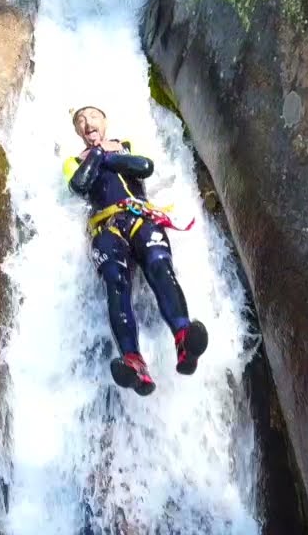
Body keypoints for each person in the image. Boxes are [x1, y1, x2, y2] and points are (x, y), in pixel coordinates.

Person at [62, 105, 209, 396]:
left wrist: (106, 155)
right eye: (80, 121)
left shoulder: (125, 146)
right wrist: (98, 156)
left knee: (159, 264)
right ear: (77, 131)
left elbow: (144, 167)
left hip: (141, 218)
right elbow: (79, 185)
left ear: (105, 121)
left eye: (92, 116)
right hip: (106, 228)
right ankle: (133, 360)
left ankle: (183, 335)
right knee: (116, 283)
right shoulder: (73, 161)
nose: (87, 122)